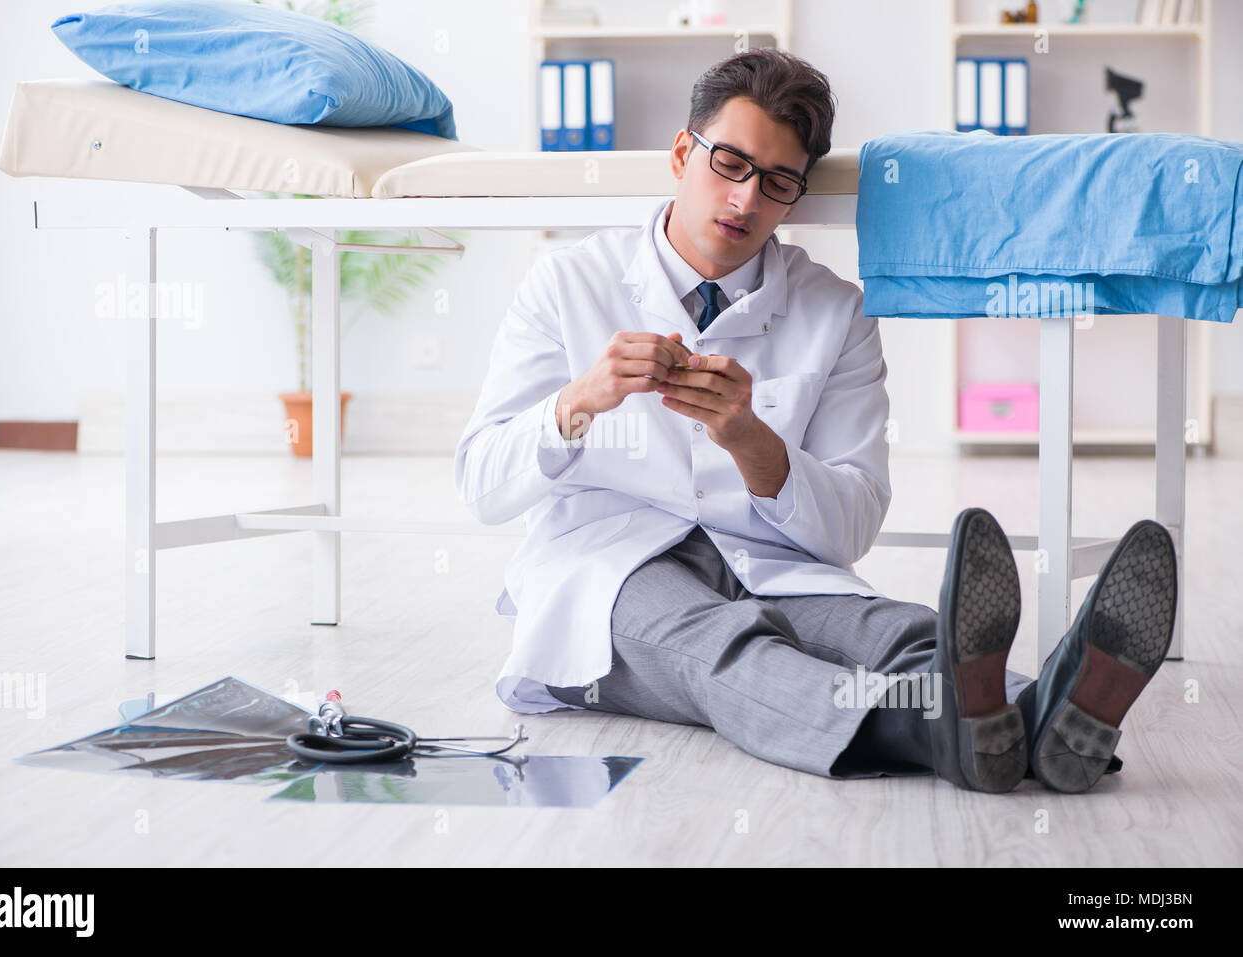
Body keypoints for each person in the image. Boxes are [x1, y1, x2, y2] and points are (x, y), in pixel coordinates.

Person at [453, 48, 1178, 792]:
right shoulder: (568, 282)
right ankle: (955, 728)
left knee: (902, 634)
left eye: (776, 183)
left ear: (795, 196)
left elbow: (849, 528)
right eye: (729, 164)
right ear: (682, 152)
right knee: (725, 647)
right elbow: (481, 486)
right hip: (609, 570)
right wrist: (579, 402)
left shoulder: (835, 311)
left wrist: (750, 441)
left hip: (768, 558)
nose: (744, 201)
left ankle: (1047, 713)